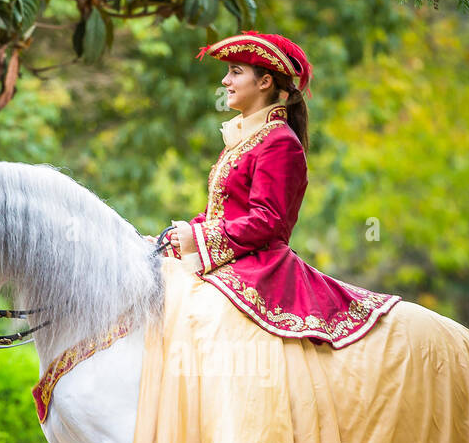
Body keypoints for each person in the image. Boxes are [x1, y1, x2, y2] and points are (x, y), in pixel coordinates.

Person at [157, 31, 399, 349]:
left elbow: (266, 221)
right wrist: (182, 238)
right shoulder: (244, 138)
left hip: (260, 269)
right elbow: (223, 213)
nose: (225, 81)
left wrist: (200, 239)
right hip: (234, 259)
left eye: (236, 72)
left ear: (265, 82)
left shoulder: (280, 142)